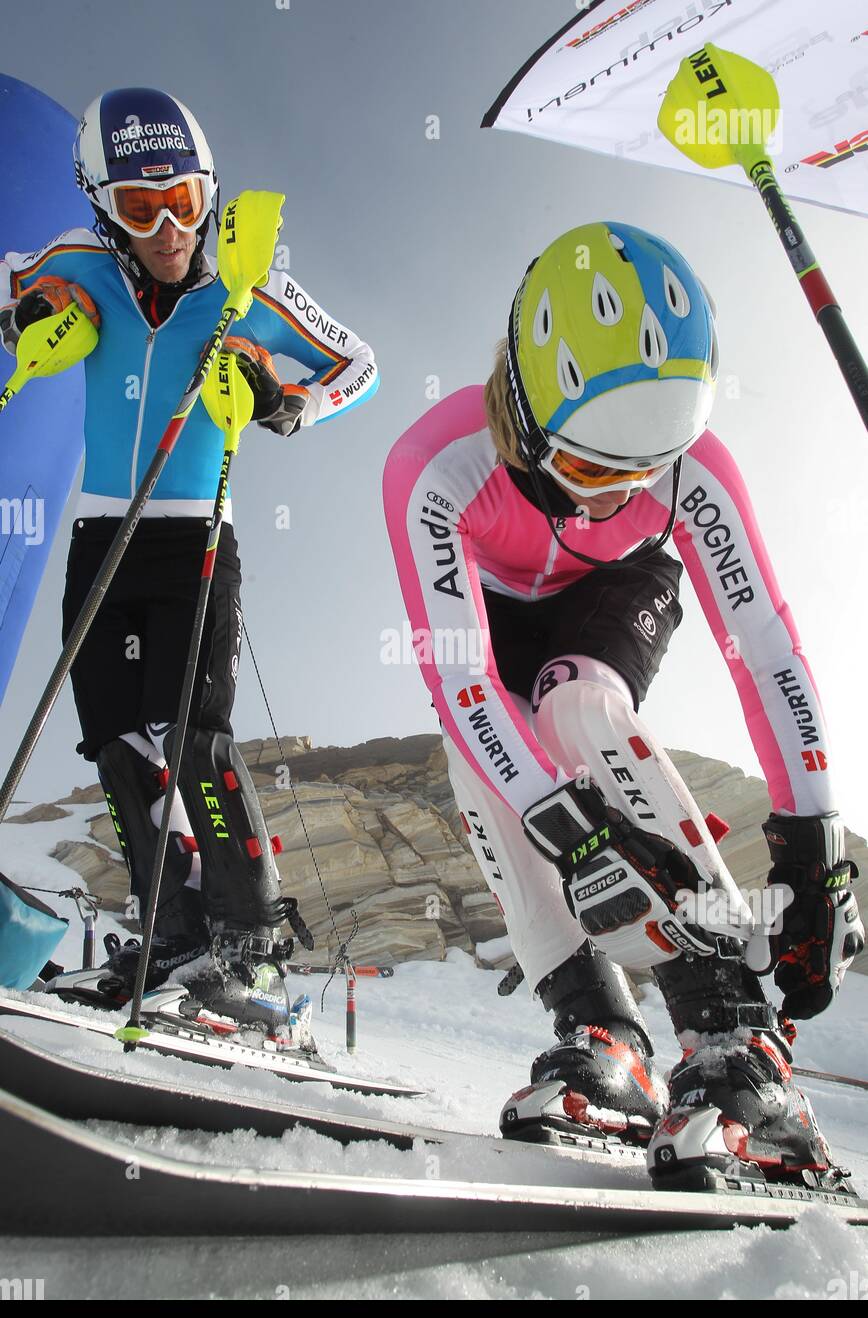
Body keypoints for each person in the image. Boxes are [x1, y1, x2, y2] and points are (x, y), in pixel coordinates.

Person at [383, 222, 863, 1190]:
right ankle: (602, 1030)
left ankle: (737, 1039)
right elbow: (465, 682)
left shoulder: (688, 471)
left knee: (576, 704)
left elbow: (763, 644)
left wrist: (815, 840)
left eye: (649, 471)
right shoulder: (432, 471)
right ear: (520, 406)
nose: (622, 496)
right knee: (480, 755)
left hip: (611, 599)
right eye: (598, 469)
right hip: (495, 611)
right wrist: (577, 834)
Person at [0, 87, 378, 1034]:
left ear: (210, 190)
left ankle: (246, 947)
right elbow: (9, 281)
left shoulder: (246, 290)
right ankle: (170, 937)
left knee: (191, 734)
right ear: (102, 206)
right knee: (118, 745)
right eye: (141, 207)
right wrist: (26, 312)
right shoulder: (81, 261)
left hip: (195, 536)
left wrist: (282, 397)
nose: (170, 226)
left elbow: (359, 365)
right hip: (102, 539)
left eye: (186, 198)